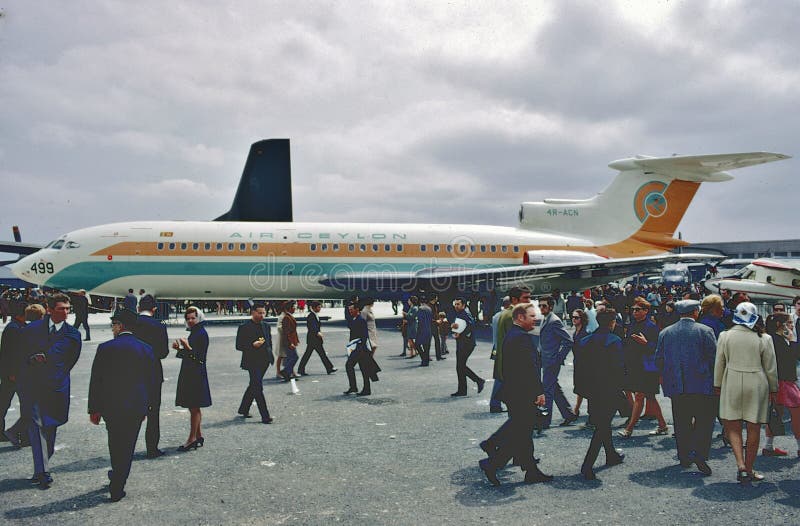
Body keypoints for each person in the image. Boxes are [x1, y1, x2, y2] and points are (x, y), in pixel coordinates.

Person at [478, 303, 552, 485]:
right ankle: (492, 463)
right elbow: (530, 369)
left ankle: (531, 471)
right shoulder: (521, 338)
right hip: (523, 394)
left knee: (523, 433)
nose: (535, 319)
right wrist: (539, 392)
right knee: (520, 433)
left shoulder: (512, 335)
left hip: (515, 392)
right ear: (520, 317)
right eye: (531, 316)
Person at [89, 309, 156, 502]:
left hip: (111, 406)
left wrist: (94, 409)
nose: (113, 329)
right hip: (135, 406)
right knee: (128, 445)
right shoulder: (146, 349)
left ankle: (117, 476)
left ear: (120, 326)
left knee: (115, 443)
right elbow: (152, 381)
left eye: (113, 325)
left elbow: (96, 381)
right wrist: (148, 407)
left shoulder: (105, 348)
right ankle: (119, 480)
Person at [17, 294, 82, 489]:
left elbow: (71, 360)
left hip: (56, 387)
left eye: (68, 309)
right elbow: (21, 354)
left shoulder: (73, 334)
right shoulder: (32, 329)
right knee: (36, 427)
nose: (66, 312)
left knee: (51, 428)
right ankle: (43, 472)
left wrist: (58, 374)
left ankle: (41, 466)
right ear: (50, 309)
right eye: (62, 308)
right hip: (33, 386)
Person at [714, 302, 778, 483]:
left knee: (732, 425)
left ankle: (740, 464)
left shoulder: (725, 335)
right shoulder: (764, 338)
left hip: (732, 380)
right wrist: (774, 389)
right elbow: (771, 368)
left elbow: (719, 363)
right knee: (754, 426)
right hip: (757, 382)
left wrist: (717, 384)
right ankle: (749, 468)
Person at [655, 300, 718, 476]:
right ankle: (700, 453)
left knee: (681, 422)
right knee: (704, 421)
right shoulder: (705, 331)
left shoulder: (666, 332)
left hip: (677, 386)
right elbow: (714, 359)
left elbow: (659, 359)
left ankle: (684, 456)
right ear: (695, 312)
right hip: (701, 384)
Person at [575, 309, 626, 480]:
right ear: (612, 322)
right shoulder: (614, 341)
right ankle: (587, 465)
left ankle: (611, 454)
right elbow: (619, 369)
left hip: (591, 390)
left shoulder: (584, 341)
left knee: (603, 424)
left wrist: (580, 389)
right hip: (609, 389)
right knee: (603, 426)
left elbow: (579, 368)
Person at [618, 297, 667, 438]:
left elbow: (658, 348)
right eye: (633, 310)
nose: (634, 312)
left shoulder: (651, 327)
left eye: (638, 310)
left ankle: (629, 428)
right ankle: (662, 425)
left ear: (646, 311)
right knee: (650, 397)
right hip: (635, 366)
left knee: (640, 395)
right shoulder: (634, 324)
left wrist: (646, 343)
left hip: (647, 368)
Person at [133, 295, 169, 459]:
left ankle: (127, 446)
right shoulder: (159, 326)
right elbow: (163, 352)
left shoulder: (131, 323)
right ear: (154, 309)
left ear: (139, 308)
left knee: (131, 412)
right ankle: (152, 448)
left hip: (133, 373)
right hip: (153, 372)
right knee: (153, 412)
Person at [172, 306, 211, 451]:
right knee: (193, 406)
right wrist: (180, 349)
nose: (190, 321)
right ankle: (198, 435)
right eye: (188, 318)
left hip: (195, 373)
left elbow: (200, 358)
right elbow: (192, 355)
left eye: (193, 318)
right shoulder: (196, 332)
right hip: (191, 372)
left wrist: (187, 348)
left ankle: (192, 438)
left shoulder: (201, 333)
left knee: (194, 407)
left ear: (199, 317)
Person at [761, 313, 800, 457]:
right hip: (784, 381)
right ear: (780, 325)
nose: (791, 325)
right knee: (797, 413)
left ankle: (768, 446)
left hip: (776, 382)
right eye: (788, 323)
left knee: (776, 413)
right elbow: (793, 357)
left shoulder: (772, 339)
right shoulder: (779, 341)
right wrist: (793, 340)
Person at [537, 296, 577, 427]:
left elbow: (568, 341)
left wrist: (559, 358)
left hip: (551, 361)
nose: (541, 308)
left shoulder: (554, 321)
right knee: (554, 388)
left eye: (544, 306)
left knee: (547, 389)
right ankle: (569, 414)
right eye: (540, 306)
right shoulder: (546, 319)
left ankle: (544, 421)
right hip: (547, 360)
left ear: (550, 307)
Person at [235, 304, 274, 424]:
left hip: (265, 361)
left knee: (253, 385)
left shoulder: (266, 326)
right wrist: (252, 345)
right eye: (259, 313)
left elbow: (269, 342)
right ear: (252, 312)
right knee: (258, 387)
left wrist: (270, 356)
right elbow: (238, 346)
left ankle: (243, 408)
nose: (262, 315)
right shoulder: (244, 327)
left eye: (263, 313)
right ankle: (265, 416)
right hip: (252, 361)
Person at [1, 299, 28, 444]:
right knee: (4, 403)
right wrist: (11, 373)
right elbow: (10, 353)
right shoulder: (14, 329)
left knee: (5, 402)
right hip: (12, 373)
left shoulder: (18, 326)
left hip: (13, 372)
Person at [450, 297, 485, 397]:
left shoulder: (465, 313)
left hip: (466, 344)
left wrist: (461, 334)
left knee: (460, 366)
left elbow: (471, 325)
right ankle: (463, 389)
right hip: (462, 343)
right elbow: (461, 325)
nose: (456, 306)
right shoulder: (461, 313)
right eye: (455, 304)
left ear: (463, 305)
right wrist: (455, 328)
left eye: (458, 304)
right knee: (460, 367)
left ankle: (478, 381)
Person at [343, 301, 377, 396]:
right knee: (363, 368)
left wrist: (357, 347)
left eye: (351, 309)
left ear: (357, 309)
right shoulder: (355, 319)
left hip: (359, 348)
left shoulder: (360, 320)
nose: (350, 311)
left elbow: (364, 336)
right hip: (356, 348)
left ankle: (356, 387)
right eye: (349, 310)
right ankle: (364, 388)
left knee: (351, 366)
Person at [298, 301, 336, 375]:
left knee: (309, 355)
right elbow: (312, 326)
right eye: (318, 307)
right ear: (313, 308)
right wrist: (317, 332)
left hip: (314, 339)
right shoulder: (311, 316)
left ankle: (301, 369)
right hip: (314, 339)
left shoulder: (315, 315)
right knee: (321, 354)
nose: (320, 308)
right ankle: (329, 368)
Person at [489, 296, 512, 413]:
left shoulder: (496, 316)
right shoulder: (508, 316)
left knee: (500, 377)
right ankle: (496, 403)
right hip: (505, 351)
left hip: (496, 349)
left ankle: (496, 403)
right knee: (502, 378)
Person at [570, 308, 590, 418]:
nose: (573, 319)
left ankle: (577, 410)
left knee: (583, 387)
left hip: (584, 365)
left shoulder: (585, 334)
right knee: (579, 387)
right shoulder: (575, 333)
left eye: (576, 317)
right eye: (572, 317)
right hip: (577, 363)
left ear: (581, 319)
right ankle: (577, 409)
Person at [279, 301, 300, 381]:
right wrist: (290, 342)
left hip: (291, 340)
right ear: (290, 308)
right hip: (288, 341)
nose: (295, 308)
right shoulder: (287, 318)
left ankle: (288, 374)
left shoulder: (289, 316)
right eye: (294, 307)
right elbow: (287, 332)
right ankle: (285, 371)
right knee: (294, 357)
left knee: (290, 357)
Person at [415, 296, 434, 366]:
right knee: (427, 347)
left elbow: (419, 320)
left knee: (417, 345)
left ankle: (424, 359)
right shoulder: (429, 308)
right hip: (429, 329)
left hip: (422, 329)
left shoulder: (420, 309)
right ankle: (426, 361)